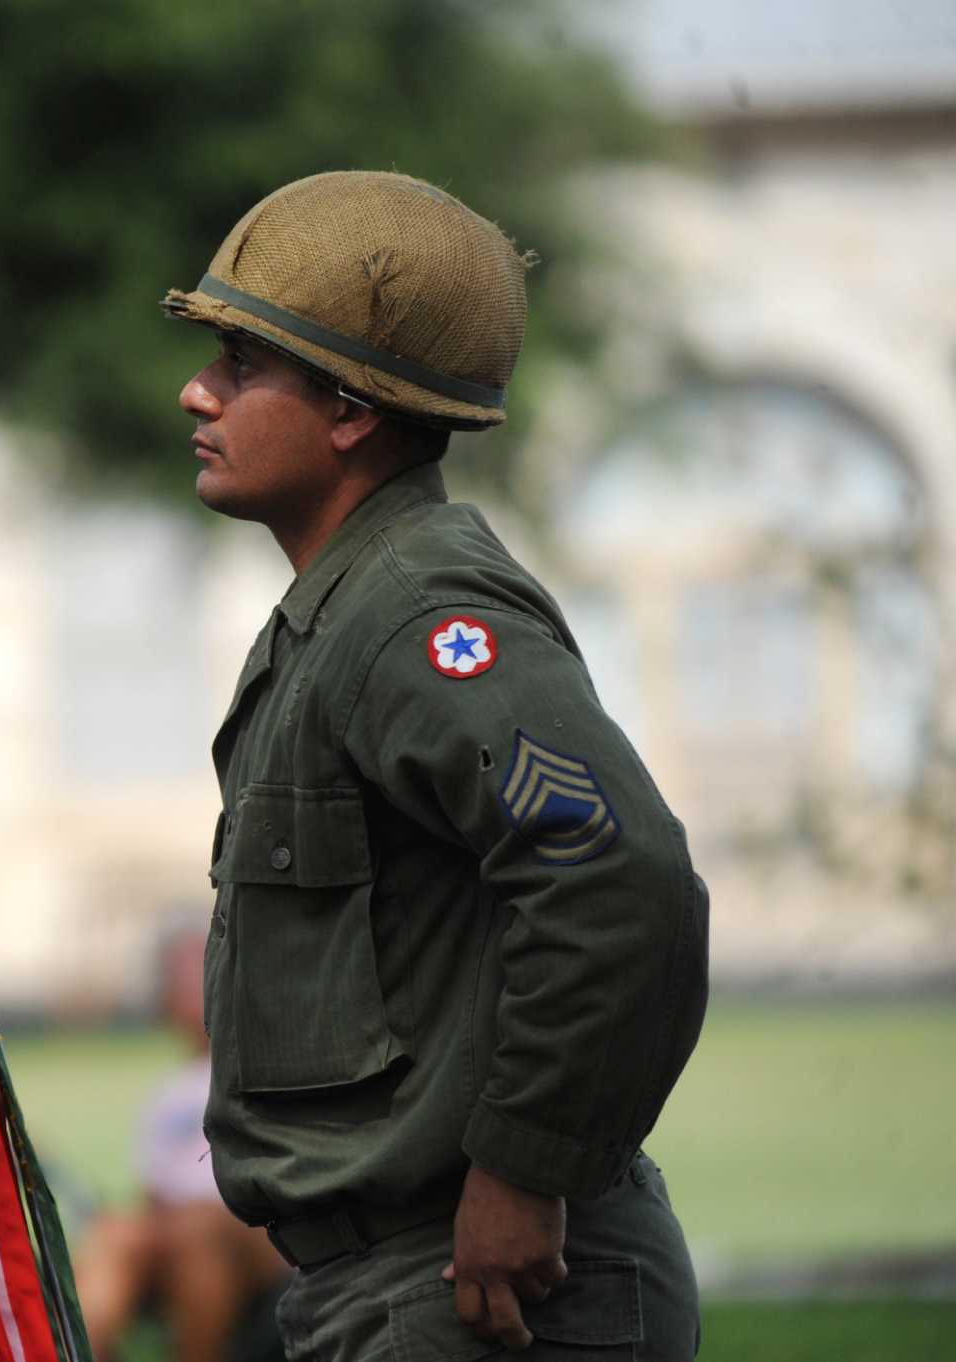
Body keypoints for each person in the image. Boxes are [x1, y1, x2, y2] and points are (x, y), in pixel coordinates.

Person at [162, 172, 709, 1361]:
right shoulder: (342, 613)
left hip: (485, 1287)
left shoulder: (419, 616)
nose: (194, 391)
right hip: (389, 1286)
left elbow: (618, 881)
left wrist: (524, 1167)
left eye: (244, 366)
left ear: (352, 411)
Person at [76, 927, 291, 1362]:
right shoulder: (168, 1094)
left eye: (198, 974)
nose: (190, 990)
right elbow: (151, 1199)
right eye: (179, 979)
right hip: (178, 1229)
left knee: (196, 1232)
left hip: (257, 1233)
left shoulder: (274, 1072)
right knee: (113, 1235)